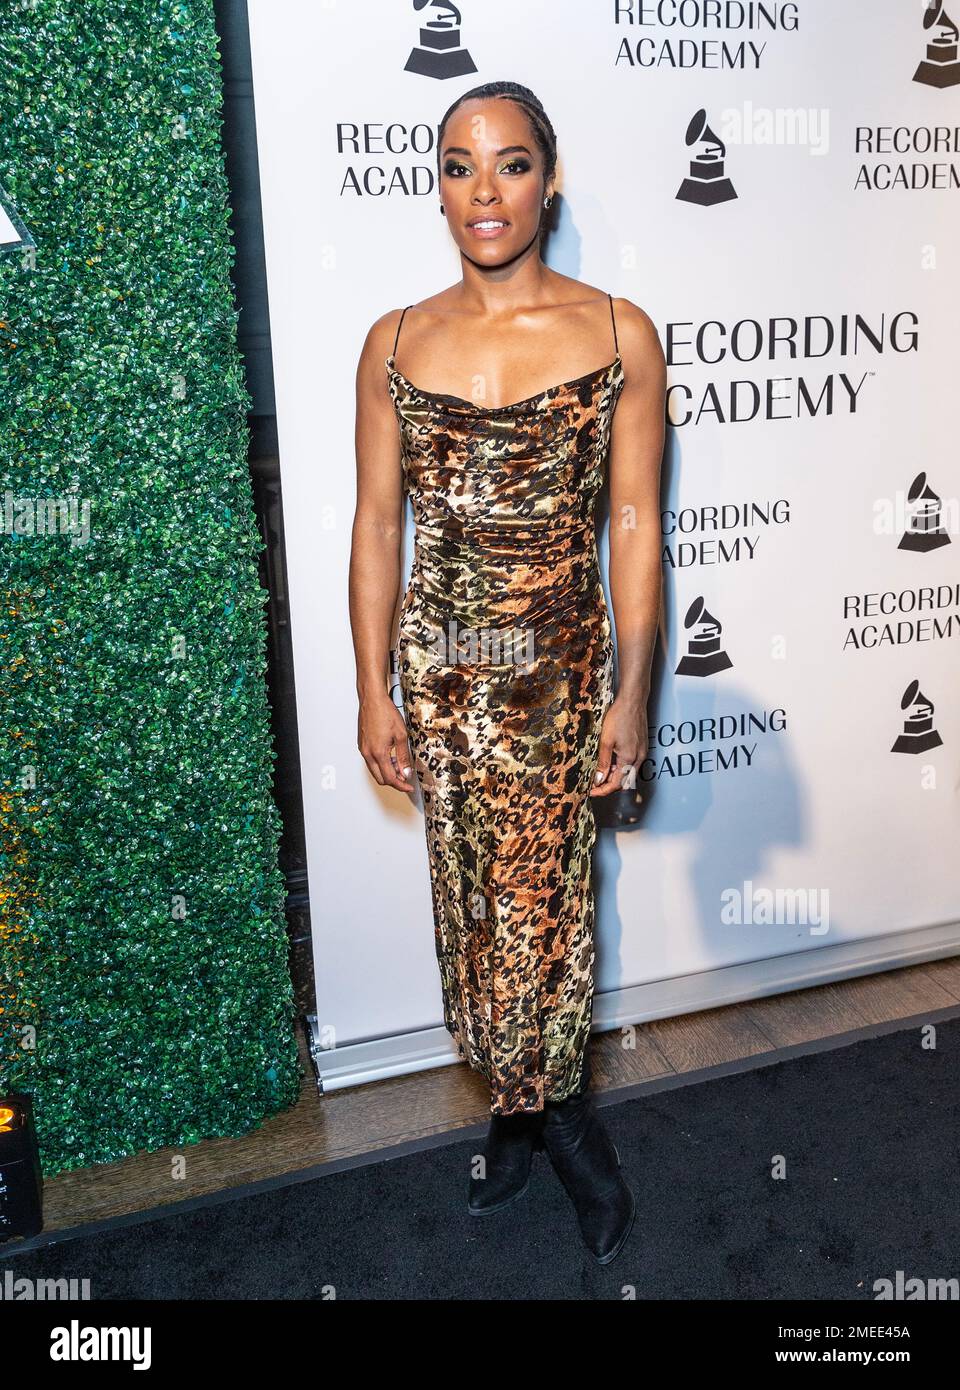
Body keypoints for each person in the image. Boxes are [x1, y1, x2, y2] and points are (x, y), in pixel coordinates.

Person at [349, 80, 665, 1265]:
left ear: (551, 177)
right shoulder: (392, 341)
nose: (485, 191)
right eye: (459, 165)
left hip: (562, 672)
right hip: (445, 678)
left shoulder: (620, 330)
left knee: (555, 912)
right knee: (474, 907)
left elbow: (634, 522)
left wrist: (631, 689)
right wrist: (376, 686)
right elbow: (379, 526)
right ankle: (514, 1113)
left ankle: (568, 1128)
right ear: (436, 183)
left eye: (512, 163)